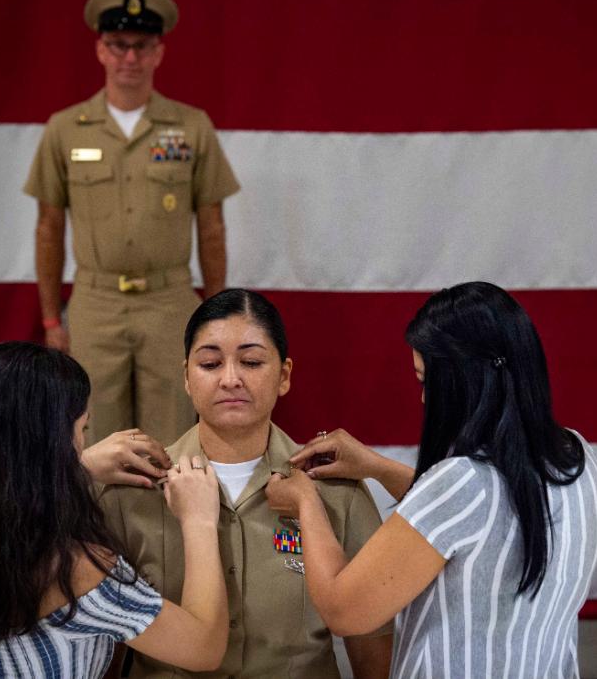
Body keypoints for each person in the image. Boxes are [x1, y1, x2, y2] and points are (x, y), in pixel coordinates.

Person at [266, 281, 597, 678]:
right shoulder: (575, 457)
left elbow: (344, 610)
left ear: (464, 379)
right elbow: (484, 524)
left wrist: (306, 503)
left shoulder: (462, 482)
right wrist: (376, 466)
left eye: (427, 381)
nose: (425, 399)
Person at [100, 289, 393, 678]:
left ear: (284, 375)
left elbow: (372, 644)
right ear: (186, 376)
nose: (231, 379)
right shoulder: (133, 489)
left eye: (252, 361)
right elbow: (105, 647)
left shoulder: (336, 490)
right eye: (210, 363)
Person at [0, 341, 228, 677]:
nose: (84, 440)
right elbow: (203, 648)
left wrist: (77, 468)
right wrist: (198, 520)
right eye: (81, 429)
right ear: (52, 443)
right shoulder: (75, 568)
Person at [24, 0, 241, 447]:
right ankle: (97, 526)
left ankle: (172, 522)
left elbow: (212, 227)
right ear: (100, 50)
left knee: (175, 438)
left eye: (141, 46)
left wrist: (217, 314)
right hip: (95, 305)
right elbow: (48, 228)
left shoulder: (190, 126)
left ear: (158, 53)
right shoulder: (66, 129)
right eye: (118, 45)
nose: (129, 58)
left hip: (169, 303)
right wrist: (49, 319)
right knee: (92, 436)